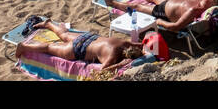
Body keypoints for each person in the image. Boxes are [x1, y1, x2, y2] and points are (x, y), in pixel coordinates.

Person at [14, 20, 145, 69]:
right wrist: (121, 64)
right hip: (76, 49)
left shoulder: (125, 42)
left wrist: (144, 50)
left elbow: (141, 44)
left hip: (88, 37)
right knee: (48, 48)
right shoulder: (112, 57)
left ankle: (48, 24)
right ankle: (24, 47)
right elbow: (104, 70)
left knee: (64, 34)